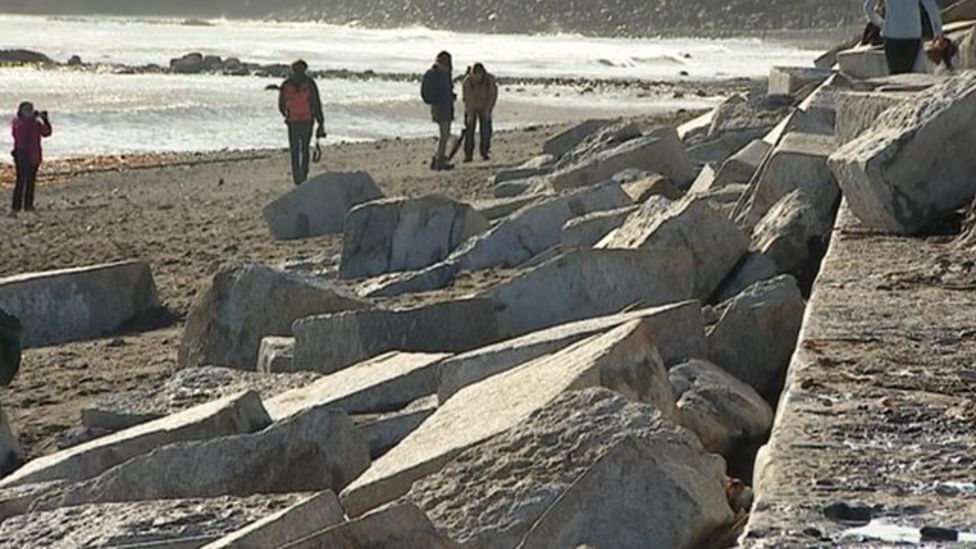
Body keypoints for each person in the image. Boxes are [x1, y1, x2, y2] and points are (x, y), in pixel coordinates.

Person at [864, 0, 944, 75]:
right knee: (915, 76)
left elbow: (868, 8)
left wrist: (881, 24)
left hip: (892, 35)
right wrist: (938, 33)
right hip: (913, 34)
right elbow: (932, 9)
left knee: (896, 76)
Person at [278, 60, 325, 185]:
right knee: (304, 149)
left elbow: (281, 105)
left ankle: (296, 178)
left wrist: (287, 115)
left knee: (294, 151)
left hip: (293, 122)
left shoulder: (286, 84)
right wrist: (321, 122)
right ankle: (303, 176)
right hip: (307, 121)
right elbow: (316, 103)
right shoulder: (310, 83)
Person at [10, 102, 52, 213]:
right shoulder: (17, 122)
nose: (29, 112)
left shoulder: (35, 123)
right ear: (21, 111)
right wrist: (30, 119)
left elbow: (46, 133)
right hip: (22, 154)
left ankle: (28, 205)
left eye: (31, 109)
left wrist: (45, 120)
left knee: (31, 181)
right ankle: (16, 206)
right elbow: (20, 134)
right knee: (20, 181)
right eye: (27, 110)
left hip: (34, 155)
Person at [421, 51, 456, 171]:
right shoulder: (433, 75)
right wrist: (439, 99)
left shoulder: (444, 75)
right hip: (440, 108)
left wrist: (451, 96)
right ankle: (439, 159)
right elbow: (427, 93)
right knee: (444, 135)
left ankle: (438, 158)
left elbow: (447, 91)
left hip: (446, 107)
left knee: (445, 135)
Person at [461, 62, 499, 162]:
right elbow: (467, 98)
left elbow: (492, 96)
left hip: (484, 107)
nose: (477, 77)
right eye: (475, 74)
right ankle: (468, 155)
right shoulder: (467, 82)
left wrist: (488, 110)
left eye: (479, 74)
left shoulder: (489, 81)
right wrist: (470, 113)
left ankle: (484, 152)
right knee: (469, 133)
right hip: (471, 108)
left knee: (486, 131)